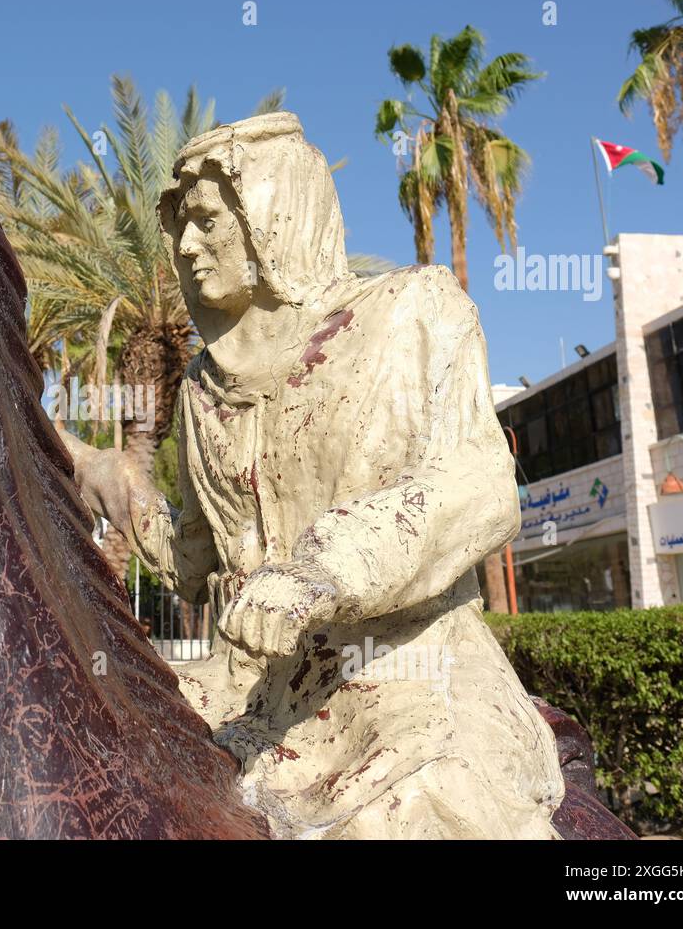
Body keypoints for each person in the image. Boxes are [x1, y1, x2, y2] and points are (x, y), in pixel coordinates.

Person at [62, 113, 563, 838]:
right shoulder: (203, 389)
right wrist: (99, 473)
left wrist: (320, 571)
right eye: (182, 227)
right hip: (250, 699)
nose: (187, 245)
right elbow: (195, 558)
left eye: (207, 219)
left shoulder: (410, 312)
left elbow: (480, 484)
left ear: (271, 210)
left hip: (407, 684)